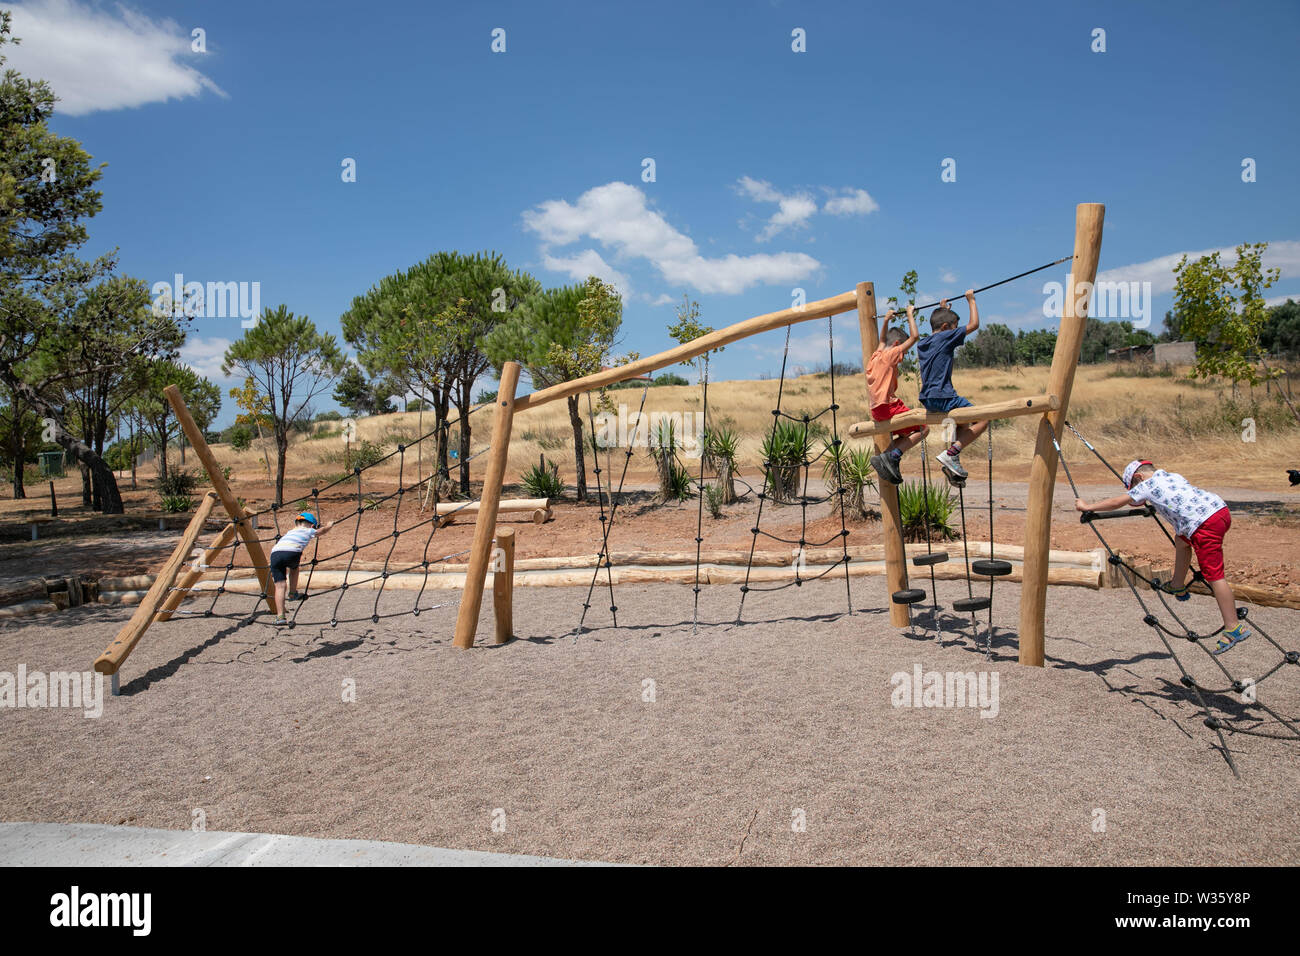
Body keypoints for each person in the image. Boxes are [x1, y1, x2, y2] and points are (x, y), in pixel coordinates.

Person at [1074, 459, 1249, 654]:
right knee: (1181, 540)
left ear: (1139, 477)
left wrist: (1088, 507)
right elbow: (1173, 498)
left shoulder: (1147, 484)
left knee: (1214, 576)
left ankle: (1233, 627)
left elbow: (1117, 502)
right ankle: (1177, 584)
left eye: (1133, 486)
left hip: (1203, 524)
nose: (1135, 491)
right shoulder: (1172, 476)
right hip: (1220, 511)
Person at [917, 290, 987, 481]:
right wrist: (971, 300)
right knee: (983, 419)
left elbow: (940, 325)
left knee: (963, 424)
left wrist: (942, 310)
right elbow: (974, 325)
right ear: (947, 327)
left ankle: (953, 459)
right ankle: (950, 453)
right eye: (953, 328)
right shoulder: (945, 337)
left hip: (928, 399)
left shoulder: (923, 343)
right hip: (944, 396)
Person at [867, 304, 927, 484]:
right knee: (923, 428)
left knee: (903, 435)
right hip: (889, 406)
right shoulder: (890, 355)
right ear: (897, 345)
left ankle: (890, 458)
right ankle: (890, 456)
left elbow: (882, 339)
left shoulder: (876, 355)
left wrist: (885, 320)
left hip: (876, 410)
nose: (903, 356)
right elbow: (915, 337)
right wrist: (909, 314)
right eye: (904, 352)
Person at [268, 511, 337, 625]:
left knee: (279, 586)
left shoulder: (290, 532)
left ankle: (280, 616)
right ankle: (292, 592)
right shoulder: (309, 530)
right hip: (292, 552)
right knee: (294, 569)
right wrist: (329, 526)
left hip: (275, 554)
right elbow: (321, 531)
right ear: (312, 526)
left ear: (296, 524)